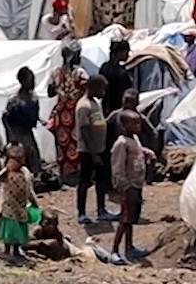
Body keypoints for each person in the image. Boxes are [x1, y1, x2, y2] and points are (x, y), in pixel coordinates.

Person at [104, 111, 156, 265]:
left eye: (138, 123)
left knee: (131, 218)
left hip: (137, 184)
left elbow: (137, 151)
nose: (138, 126)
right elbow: (117, 167)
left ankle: (129, 247)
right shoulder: (121, 143)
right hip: (129, 186)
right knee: (124, 219)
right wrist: (123, 185)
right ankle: (114, 251)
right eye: (134, 123)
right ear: (124, 125)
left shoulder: (134, 140)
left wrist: (147, 153)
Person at [74, 76, 113, 224]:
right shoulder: (84, 106)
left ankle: (102, 210)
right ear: (93, 87)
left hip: (100, 148)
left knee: (101, 181)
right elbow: (84, 130)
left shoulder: (95, 103)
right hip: (88, 151)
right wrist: (93, 154)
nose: (103, 92)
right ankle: (82, 213)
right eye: (101, 88)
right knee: (84, 182)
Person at [47, 43, 87, 184]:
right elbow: (88, 89)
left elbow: (50, 92)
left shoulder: (56, 72)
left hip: (60, 115)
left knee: (62, 145)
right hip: (75, 114)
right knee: (77, 143)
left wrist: (59, 88)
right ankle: (76, 175)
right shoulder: (79, 73)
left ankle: (65, 175)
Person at [0, 145, 37, 266]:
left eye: (18, 160)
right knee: (9, 230)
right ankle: (7, 250)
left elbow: (29, 189)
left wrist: (34, 202)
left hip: (20, 207)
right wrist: (4, 171)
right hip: (8, 207)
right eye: (12, 160)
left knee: (19, 229)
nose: (14, 163)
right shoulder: (6, 173)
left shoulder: (25, 173)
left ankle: (16, 250)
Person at [1, 66, 43, 180]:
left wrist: (41, 120)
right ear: (22, 81)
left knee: (32, 156)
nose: (32, 82)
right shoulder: (14, 99)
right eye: (30, 80)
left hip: (27, 131)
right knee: (18, 159)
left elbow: (34, 115)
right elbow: (5, 118)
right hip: (17, 132)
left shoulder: (33, 97)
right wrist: (11, 135)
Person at [98, 39, 134, 117]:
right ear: (120, 52)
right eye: (126, 52)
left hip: (105, 109)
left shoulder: (104, 67)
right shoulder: (121, 73)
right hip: (117, 110)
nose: (127, 55)